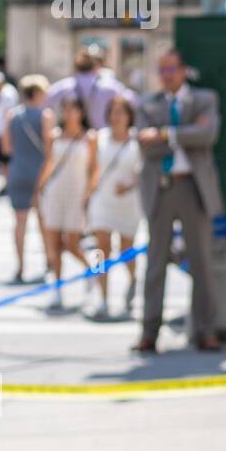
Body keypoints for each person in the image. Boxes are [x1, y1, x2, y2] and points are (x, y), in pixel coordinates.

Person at [134, 49, 224, 353]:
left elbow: (207, 134)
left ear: (184, 70)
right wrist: (183, 134)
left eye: (171, 69)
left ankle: (205, 330)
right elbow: (145, 149)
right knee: (155, 262)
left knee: (202, 263)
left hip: (193, 188)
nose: (166, 76)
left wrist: (162, 135)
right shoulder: (148, 104)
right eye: (161, 71)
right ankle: (149, 332)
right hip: (160, 188)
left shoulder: (204, 99)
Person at [85, 95, 142, 320]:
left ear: (129, 116)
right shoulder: (98, 138)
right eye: (113, 112)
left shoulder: (137, 141)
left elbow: (144, 173)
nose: (116, 117)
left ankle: (133, 280)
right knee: (101, 249)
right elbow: (91, 170)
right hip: (102, 201)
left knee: (127, 251)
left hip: (129, 203)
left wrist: (130, 185)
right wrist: (86, 198)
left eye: (122, 112)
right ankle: (102, 297)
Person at [35, 96, 95, 311]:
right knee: (54, 244)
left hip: (76, 195)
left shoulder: (90, 138)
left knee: (72, 242)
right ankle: (57, 290)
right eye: (65, 109)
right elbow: (48, 163)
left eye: (73, 109)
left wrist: (89, 195)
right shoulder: (55, 136)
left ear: (81, 113)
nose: (68, 114)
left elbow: (93, 169)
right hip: (54, 193)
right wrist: (39, 190)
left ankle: (91, 272)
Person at [0, 75, 52, 284]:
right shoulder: (45, 115)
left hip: (18, 170)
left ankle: (20, 266)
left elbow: (5, 147)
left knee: (19, 222)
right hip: (40, 172)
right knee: (43, 220)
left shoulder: (12, 115)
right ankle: (49, 260)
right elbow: (50, 147)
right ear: (39, 93)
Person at [45, 45, 134, 131]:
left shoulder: (65, 86)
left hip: (74, 138)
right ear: (95, 66)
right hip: (101, 135)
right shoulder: (109, 85)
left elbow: (45, 101)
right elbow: (132, 100)